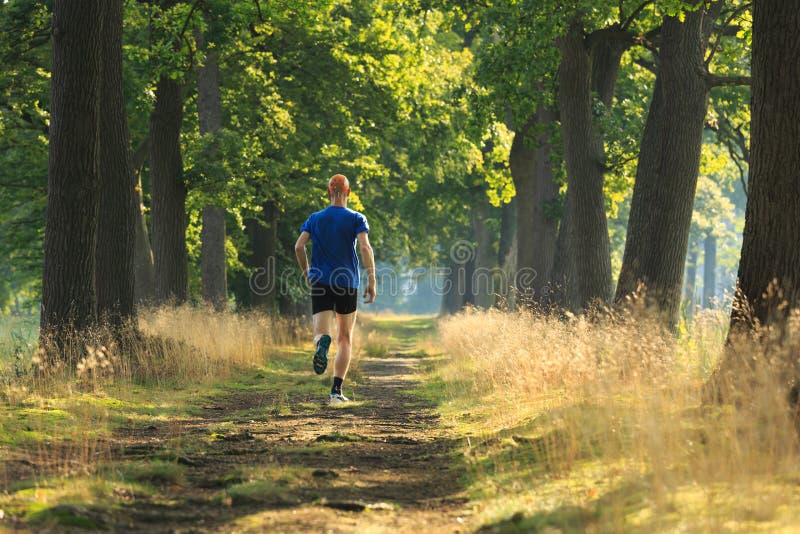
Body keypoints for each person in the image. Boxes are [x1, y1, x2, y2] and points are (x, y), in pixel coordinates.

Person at [294, 174, 376, 405]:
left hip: (321, 281)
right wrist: (372, 279)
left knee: (321, 333)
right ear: (348, 192)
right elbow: (365, 247)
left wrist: (307, 272)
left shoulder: (315, 218)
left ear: (328, 192)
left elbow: (299, 246)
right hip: (347, 282)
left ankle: (321, 343)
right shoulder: (357, 218)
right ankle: (336, 392)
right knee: (345, 338)